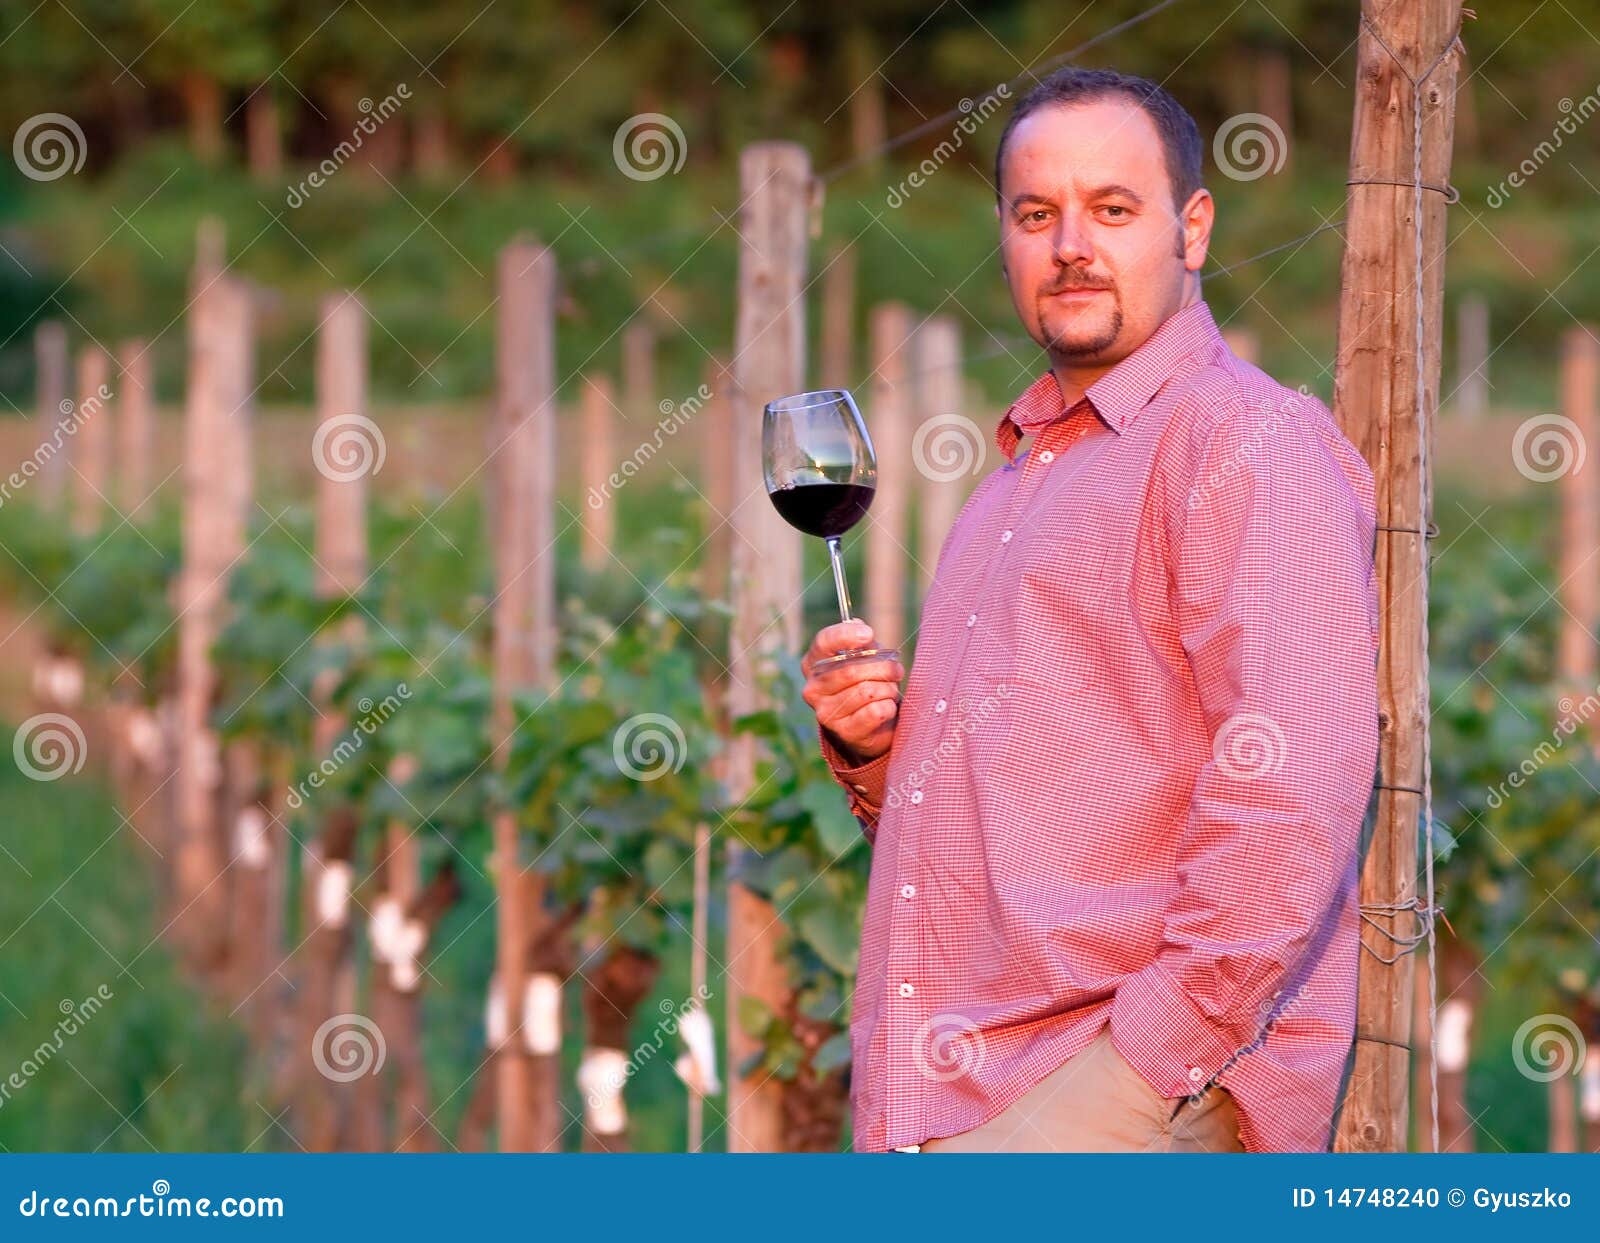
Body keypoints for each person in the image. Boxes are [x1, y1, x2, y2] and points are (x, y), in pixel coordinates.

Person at [801, 66, 1380, 1153]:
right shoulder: (1014, 482)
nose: (1070, 245)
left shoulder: (1243, 445)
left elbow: (1293, 786)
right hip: (957, 1094)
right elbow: (979, 823)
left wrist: (1145, 1067)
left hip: (1102, 1100)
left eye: (1112, 210)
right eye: (1036, 215)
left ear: (1191, 228)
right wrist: (875, 753)